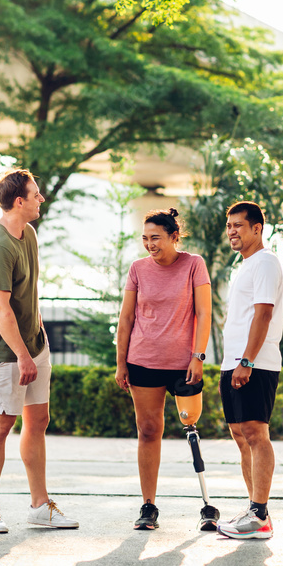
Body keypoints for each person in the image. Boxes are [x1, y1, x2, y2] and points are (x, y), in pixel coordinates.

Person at [0, 168, 77, 534]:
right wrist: (21, 355)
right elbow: (0, 310)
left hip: (35, 343)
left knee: (38, 421)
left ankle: (39, 505)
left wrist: (38, 341)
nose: (41, 199)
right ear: (20, 201)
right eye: (36, 195)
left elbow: (27, 295)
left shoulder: (28, 234)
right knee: (2, 423)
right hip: (4, 350)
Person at [115, 207, 212, 530]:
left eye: (155, 238)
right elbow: (126, 318)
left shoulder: (193, 265)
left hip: (184, 365)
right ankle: (148, 506)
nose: (149, 244)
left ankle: (207, 504)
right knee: (148, 431)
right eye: (145, 238)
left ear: (174, 236)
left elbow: (203, 314)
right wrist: (121, 362)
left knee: (191, 426)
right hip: (143, 361)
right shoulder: (138, 269)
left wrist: (198, 356)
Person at [215, 201, 283, 540]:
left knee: (256, 434)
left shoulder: (266, 262)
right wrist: (233, 365)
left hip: (255, 362)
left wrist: (247, 361)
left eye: (239, 226)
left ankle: (258, 514)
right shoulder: (245, 266)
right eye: (229, 226)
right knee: (242, 438)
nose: (232, 231)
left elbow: (264, 314)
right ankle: (257, 511)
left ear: (257, 228)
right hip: (235, 363)